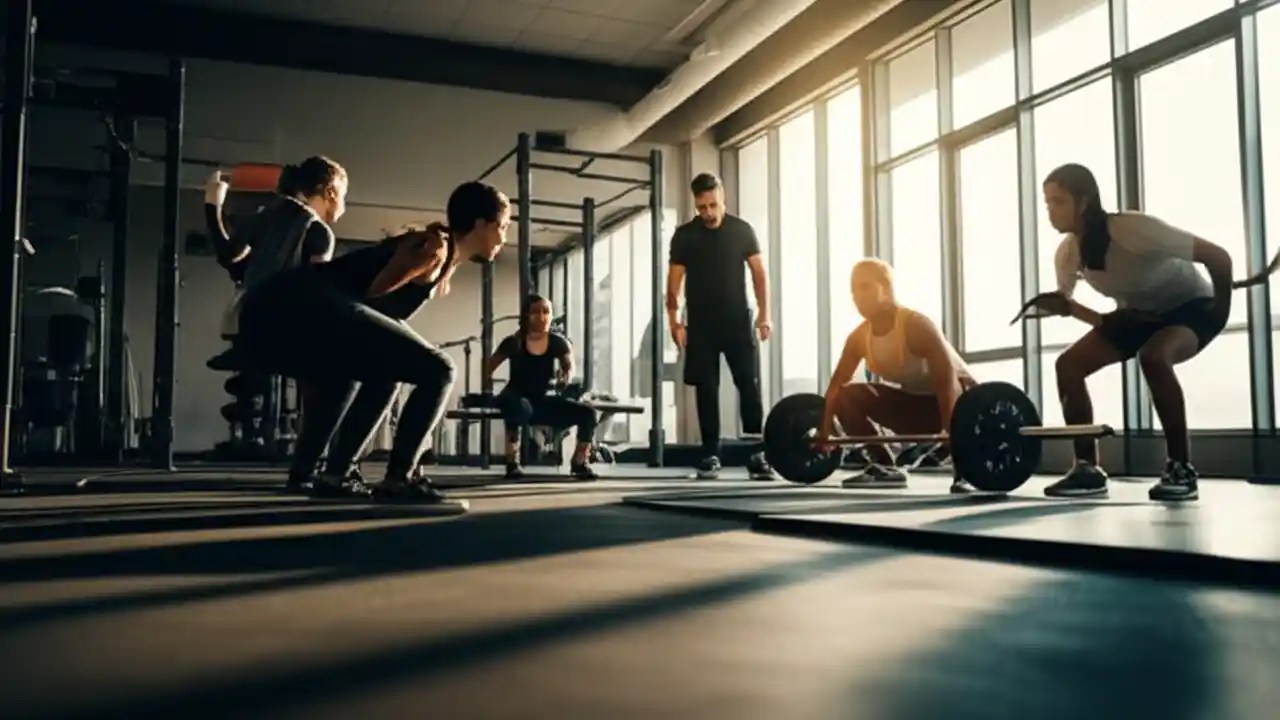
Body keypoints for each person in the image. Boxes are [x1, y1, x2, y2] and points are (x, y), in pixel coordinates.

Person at [236, 181, 510, 504]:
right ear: (481, 224)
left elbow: (369, 316)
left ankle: (323, 474)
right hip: (285, 308)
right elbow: (373, 295)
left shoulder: (439, 255)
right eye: (503, 226)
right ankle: (398, 480)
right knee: (439, 369)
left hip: (269, 314)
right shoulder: (434, 247)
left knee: (382, 370)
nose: (505, 237)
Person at [1030, 163, 1234, 502]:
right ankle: (1087, 468)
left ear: (1084, 202)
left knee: (1153, 356)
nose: (1050, 211)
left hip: (1193, 308)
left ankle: (1181, 468)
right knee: (1068, 365)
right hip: (1138, 316)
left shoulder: (1132, 228)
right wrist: (1070, 309)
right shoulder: (1068, 254)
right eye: (1047, 202)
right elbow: (1105, 323)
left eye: (1059, 201)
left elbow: (1219, 258)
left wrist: (1221, 311)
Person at [817, 259, 977, 493]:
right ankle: (884, 466)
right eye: (853, 291)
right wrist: (825, 428)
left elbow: (947, 381)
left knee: (955, 401)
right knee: (846, 396)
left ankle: (965, 470)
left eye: (865, 287)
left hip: (963, 404)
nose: (857, 297)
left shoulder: (916, 325)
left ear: (886, 286)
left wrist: (950, 432)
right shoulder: (859, 337)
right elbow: (836, 386)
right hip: (917, 406)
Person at [666, 172, 773, 480]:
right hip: (700, 325)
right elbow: (672, 286)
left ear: (722, 196)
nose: (708, 213)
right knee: (706, 388)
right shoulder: (685, 235)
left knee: (747, 384)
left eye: (713, 205)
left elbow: (759, 275)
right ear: (695, 204)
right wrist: (675, 322)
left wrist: (765, 315)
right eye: (702, 207)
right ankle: (710, 453)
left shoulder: (742, 230)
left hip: (737, 322)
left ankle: (757, 452)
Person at [485, 293, 599, 480]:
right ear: (526, 316)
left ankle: (579, 463)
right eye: (536, 312)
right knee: (518, 406)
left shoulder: (558, 342)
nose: (542, 317)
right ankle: (512, 462)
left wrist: (565, 377)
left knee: (588, 414)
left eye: (546, 312)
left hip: (542, 401)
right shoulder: (513, 342)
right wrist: (487, 386)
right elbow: (489, 366)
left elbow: (568, 366)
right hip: (517, 397)